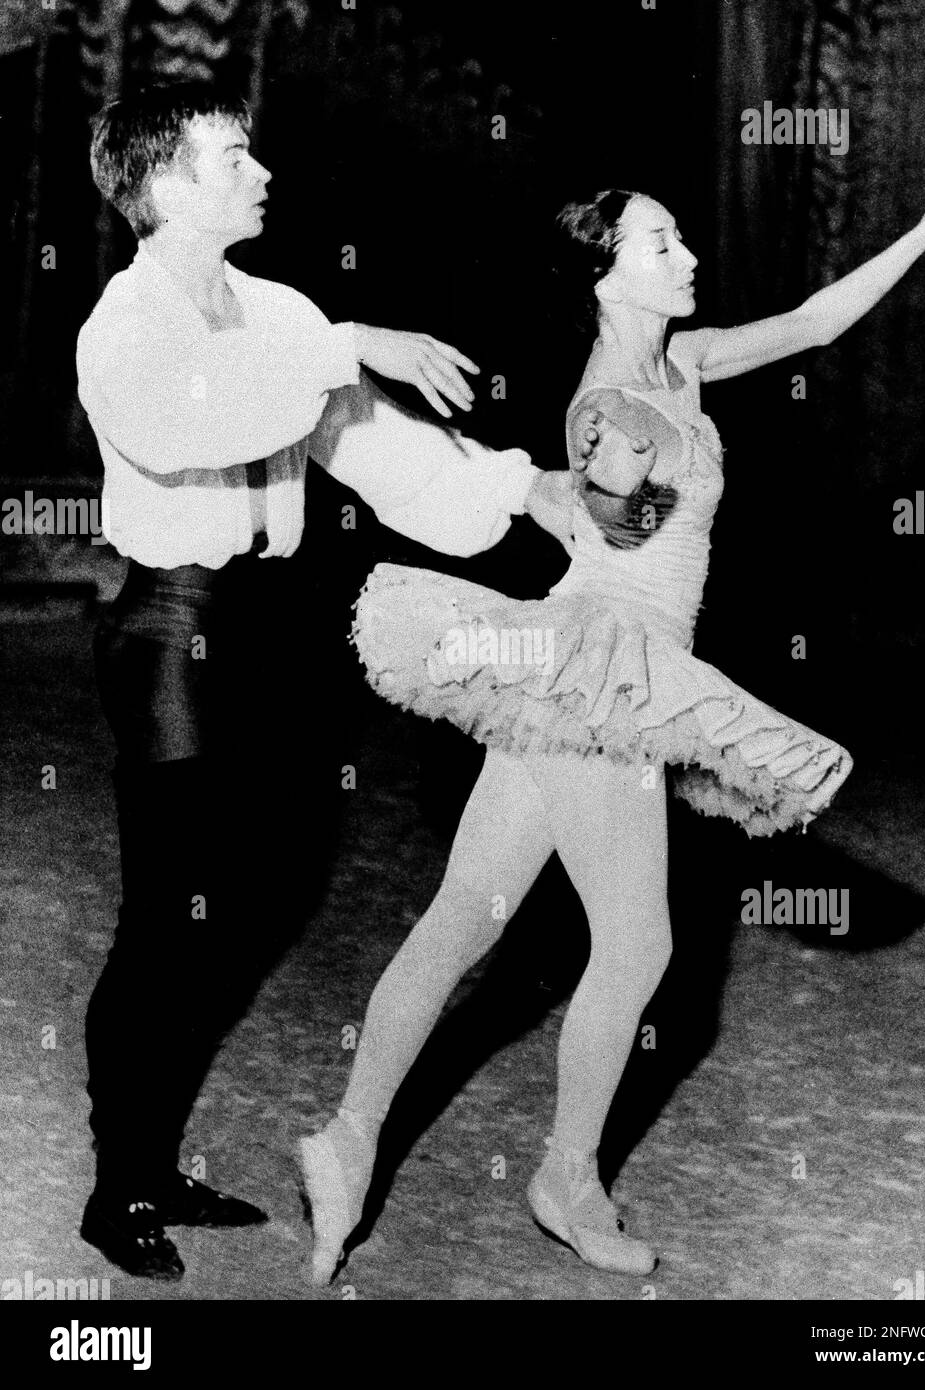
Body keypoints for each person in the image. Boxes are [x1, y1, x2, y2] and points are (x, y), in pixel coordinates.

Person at [299, 125, 925, 1280]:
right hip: (606, 670)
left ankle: (349, 1137)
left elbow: (816, 322)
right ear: (608, 270)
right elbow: (609, 502)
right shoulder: (609, 397)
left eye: (677, 236)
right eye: (658, 242)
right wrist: (608, 492)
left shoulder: (686, 361)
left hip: (590, 667)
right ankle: (565, 1177)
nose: (684, 253)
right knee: (638, 941)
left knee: (468, 908)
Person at [76, 82, 573, 1281]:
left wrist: (525, 488)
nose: (261, 172)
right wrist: (348, 345)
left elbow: (377, 442)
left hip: (272, 620)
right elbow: (186, 421)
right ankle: (118, 1183)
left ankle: (151, 1159)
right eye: (233, 156)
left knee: (241, 899)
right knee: (166, 916)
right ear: (163, 186)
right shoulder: (122, 323)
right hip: (172, 623)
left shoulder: (283, 310)